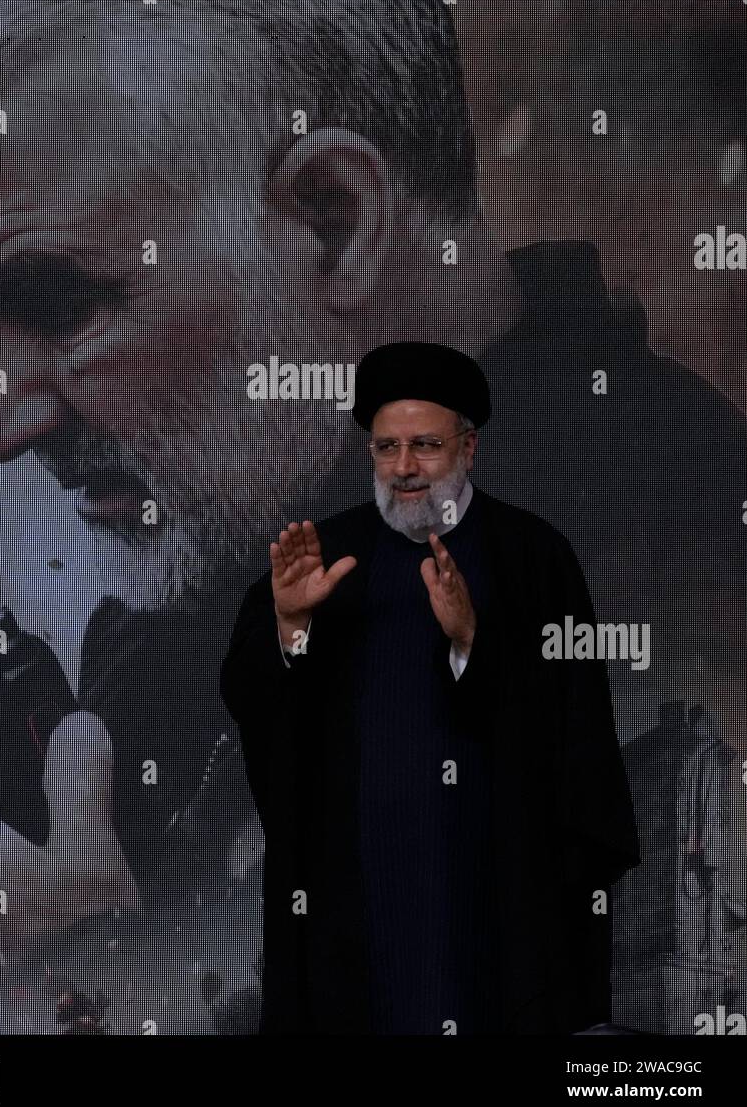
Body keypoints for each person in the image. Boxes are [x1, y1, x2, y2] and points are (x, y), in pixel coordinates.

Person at [0, 0, 747, 1033]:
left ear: (334, 218)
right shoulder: (202, 620)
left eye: (61, 301)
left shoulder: (681, 618)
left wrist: (88, 983)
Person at [220, 341, 641, 1035]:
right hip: (358, 890)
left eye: (425, 445)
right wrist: (290, 624)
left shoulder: (532, 556)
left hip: (495, 888)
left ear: (467, 449)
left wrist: (471, 641)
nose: (405, 468)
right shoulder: (323, 554)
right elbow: (253, 703)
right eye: (387, 448)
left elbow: (574, 732)